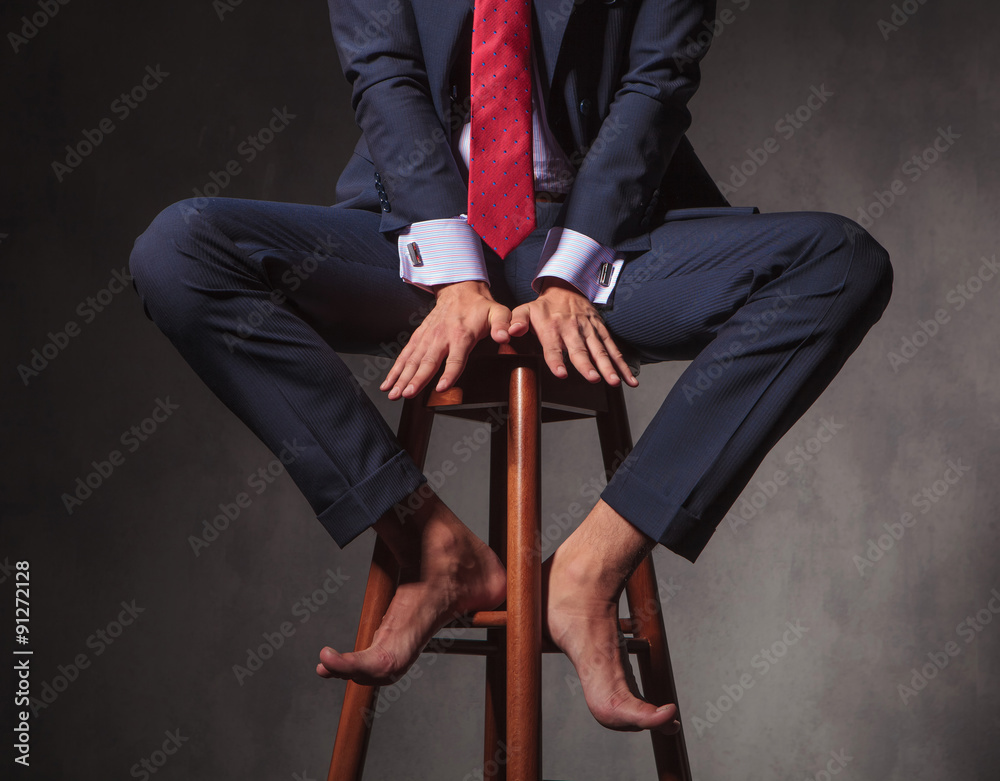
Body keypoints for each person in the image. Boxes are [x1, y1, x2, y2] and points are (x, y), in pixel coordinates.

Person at [127, 0, 893, 736]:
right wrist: (455, 278)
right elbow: (383, 71)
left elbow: (656, 79)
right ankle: (431, 544)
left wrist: (572, 271)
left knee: (840, 263)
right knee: (179, 250)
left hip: (608, 247)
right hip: (412, 244)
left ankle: (592, 565)